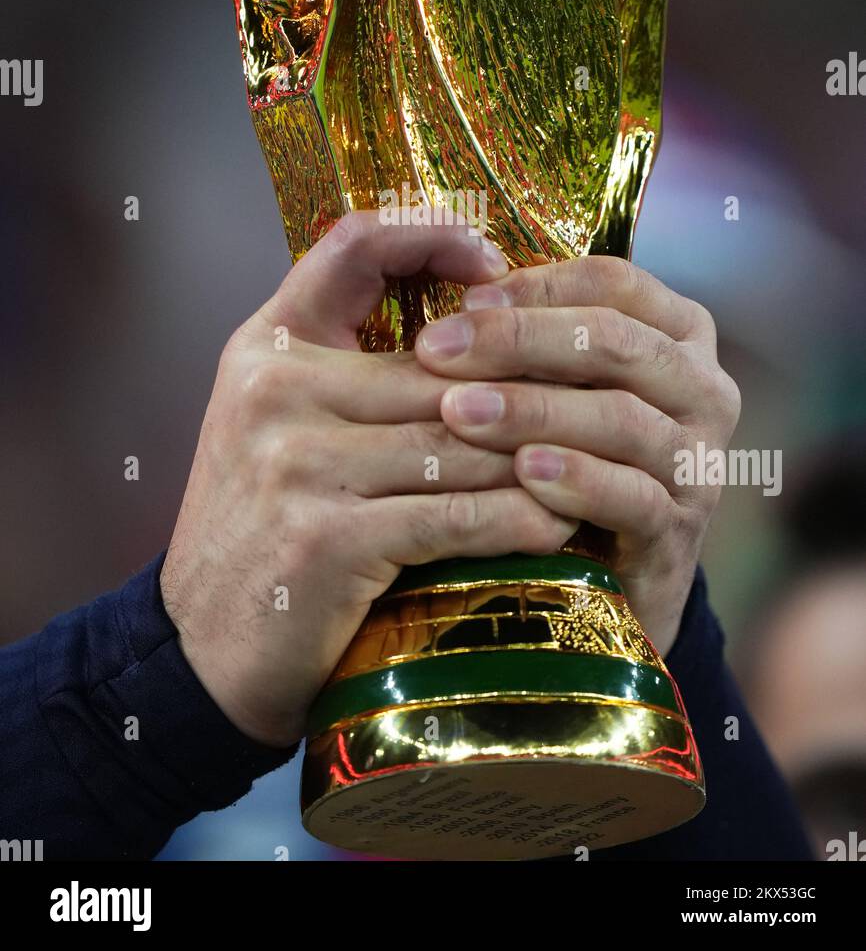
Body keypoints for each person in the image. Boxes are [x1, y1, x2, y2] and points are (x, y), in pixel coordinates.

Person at [0, 212, 814, 860]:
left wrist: (664, 675)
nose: (594, 435)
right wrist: (155, 688)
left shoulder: (795, 700)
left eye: (640, 392)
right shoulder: (215, 826)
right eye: (553, 374)